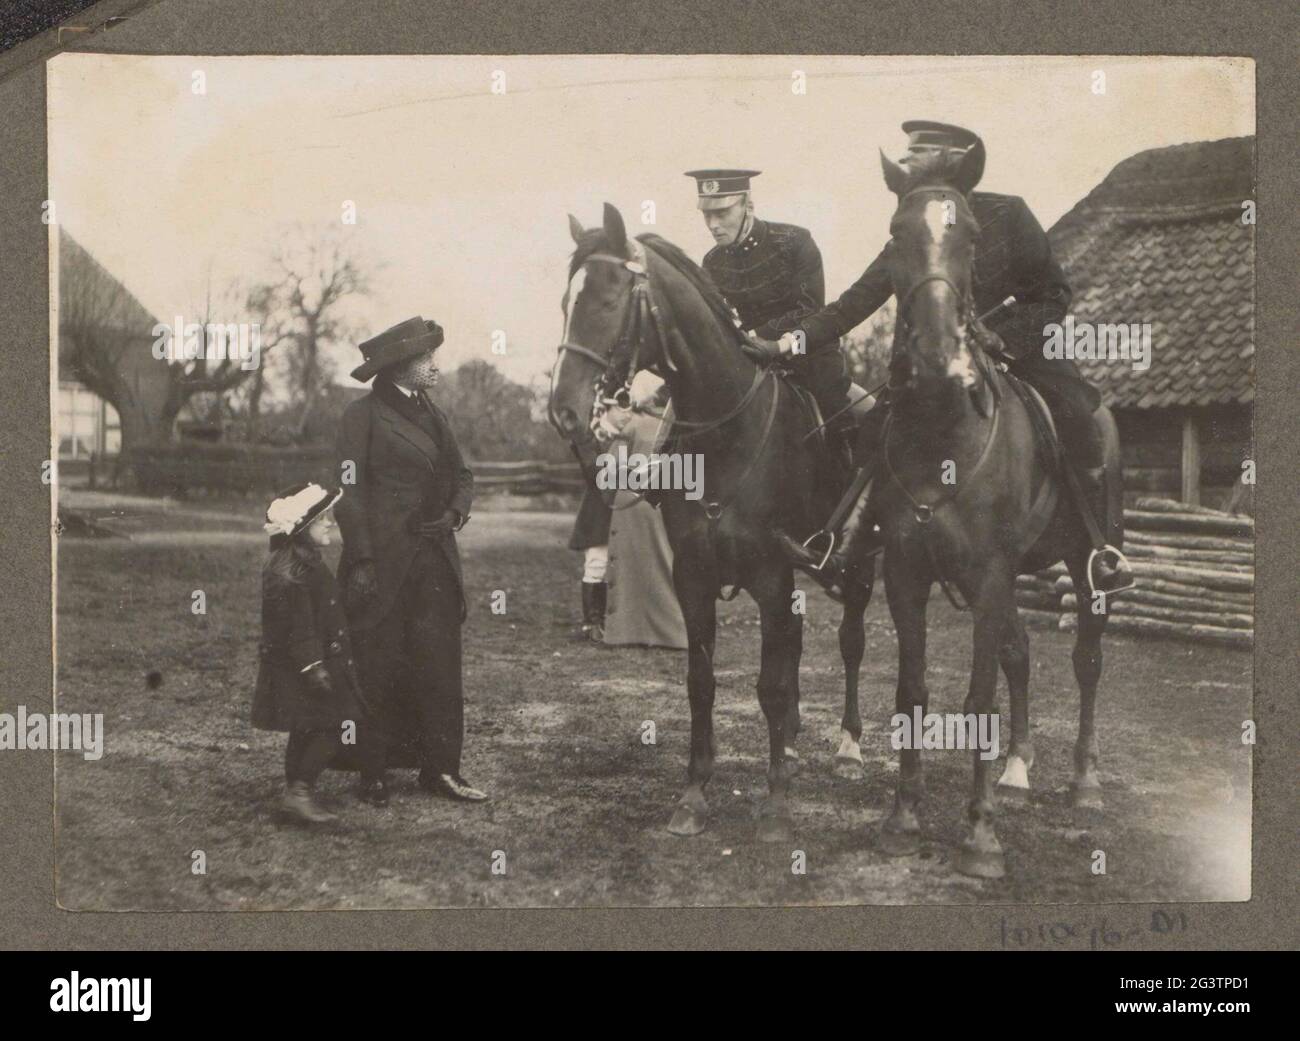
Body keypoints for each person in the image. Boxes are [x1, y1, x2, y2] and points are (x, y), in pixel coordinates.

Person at [776, 121, 1133, 596]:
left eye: (917, 156)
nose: (907, 166)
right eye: (906, 158)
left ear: (951, 162)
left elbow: (1053, 294)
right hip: (931, 361)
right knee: (873, 433)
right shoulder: (913, 224)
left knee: (1080, 417)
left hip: (1017, 352)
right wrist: (785, 344)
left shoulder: (1009, 213)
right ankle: (845, 542)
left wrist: (1000, 339)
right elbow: (849, 307)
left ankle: (1096, 550)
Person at [335, 316, 487, 807]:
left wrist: (452, 515)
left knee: (441, 666)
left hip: (435, 561)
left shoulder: (435, 415)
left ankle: (441, 770)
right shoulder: (360, 418)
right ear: (401, 367)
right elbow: (348, 492)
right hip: (382, 563)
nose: (435, 368)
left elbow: (462, 476)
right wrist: (360, 560)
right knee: (377, 665)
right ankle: (373, 770)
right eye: (427, 360)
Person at [687, 168, 852, 434]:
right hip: (751, 359)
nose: (713, 224)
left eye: (722, 213)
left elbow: (810, 308)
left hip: (807, 352)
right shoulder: (712, 262)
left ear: (748, 206)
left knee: (840, 424)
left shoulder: (795, 242)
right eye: (707, 214)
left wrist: (759, 336)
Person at [251, 481, 365, 824]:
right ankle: (300, 790)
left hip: (306, 664)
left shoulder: (304, 564)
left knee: (305, 727)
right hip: (306, 668)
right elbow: (300, 629)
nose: (330, 523)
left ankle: (294, 790)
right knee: (337, 723)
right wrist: (314, 666)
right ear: (300, 531)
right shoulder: (298, 574)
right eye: (322, 520)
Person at [599, 373, 688, 650]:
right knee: (667, 566)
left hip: (632, 505)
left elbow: (610, 471)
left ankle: (624, 631)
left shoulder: (634, 426)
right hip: (671, 503)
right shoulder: (680, 425)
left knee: (627, 568)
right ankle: (673, 633)